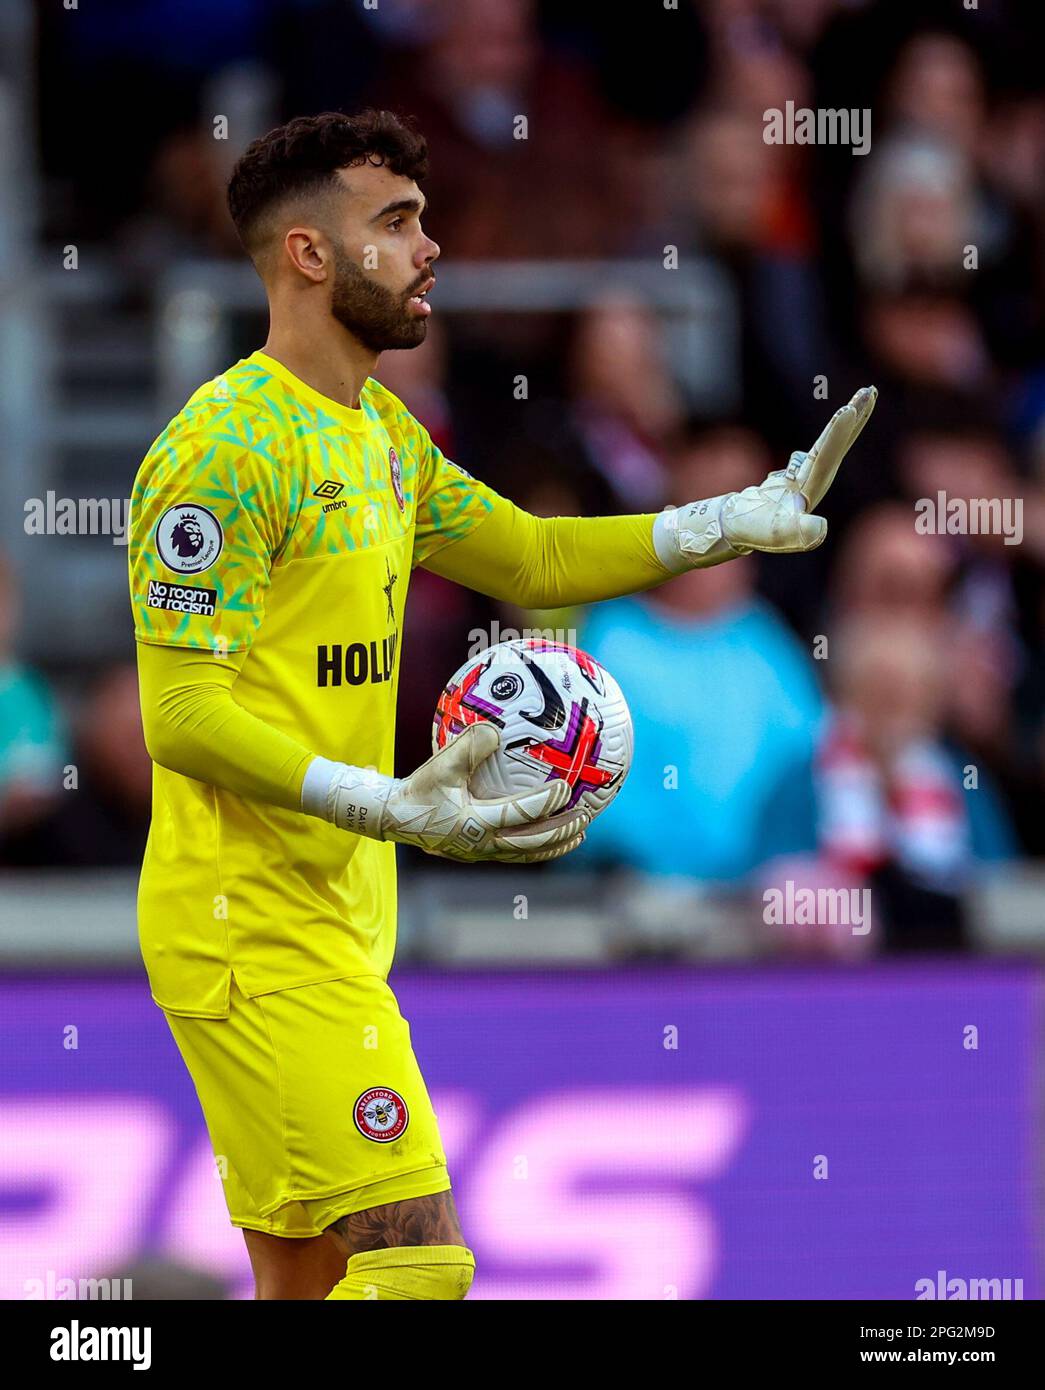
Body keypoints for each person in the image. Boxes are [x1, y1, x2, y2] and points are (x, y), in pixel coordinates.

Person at [127, 108, 875, 1301]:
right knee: (420, 1263)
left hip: (330, 916)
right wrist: (380, 800)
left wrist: (721, 522)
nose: (430, 246)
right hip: (251, 929)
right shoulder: (222, 453)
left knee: (311, 1283)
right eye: (396, 222)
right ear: (309, 256)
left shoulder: (379, 434)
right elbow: (180, 714)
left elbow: (528, 559)